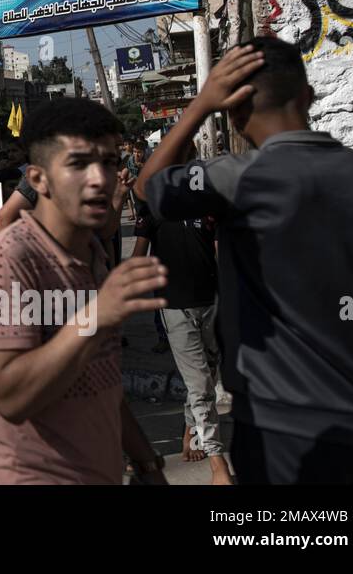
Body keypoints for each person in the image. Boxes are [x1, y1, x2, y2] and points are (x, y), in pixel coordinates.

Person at [138, 38, 353, 485]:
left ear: (234, 113)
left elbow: (148, 187)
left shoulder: (234, 177)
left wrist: (201, 104)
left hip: (283, 426)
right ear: (308, 96)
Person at [0, 100, 167, 485]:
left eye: (109, 162)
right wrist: (97, 315)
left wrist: (148, 464)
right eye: (78, 164)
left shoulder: (90, 250)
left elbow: (100, 378)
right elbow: (10, 397)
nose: (99, 179)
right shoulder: (11, 258)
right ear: (39, 179)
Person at [130, 144, 231, 485]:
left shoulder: (208, 205)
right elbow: (139, 255)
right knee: (201, 385)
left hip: (212, 304)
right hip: (174, 308)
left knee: (206, 377)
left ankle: (190, 430)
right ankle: (219, 466)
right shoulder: (154, 207)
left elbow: (219, 252)